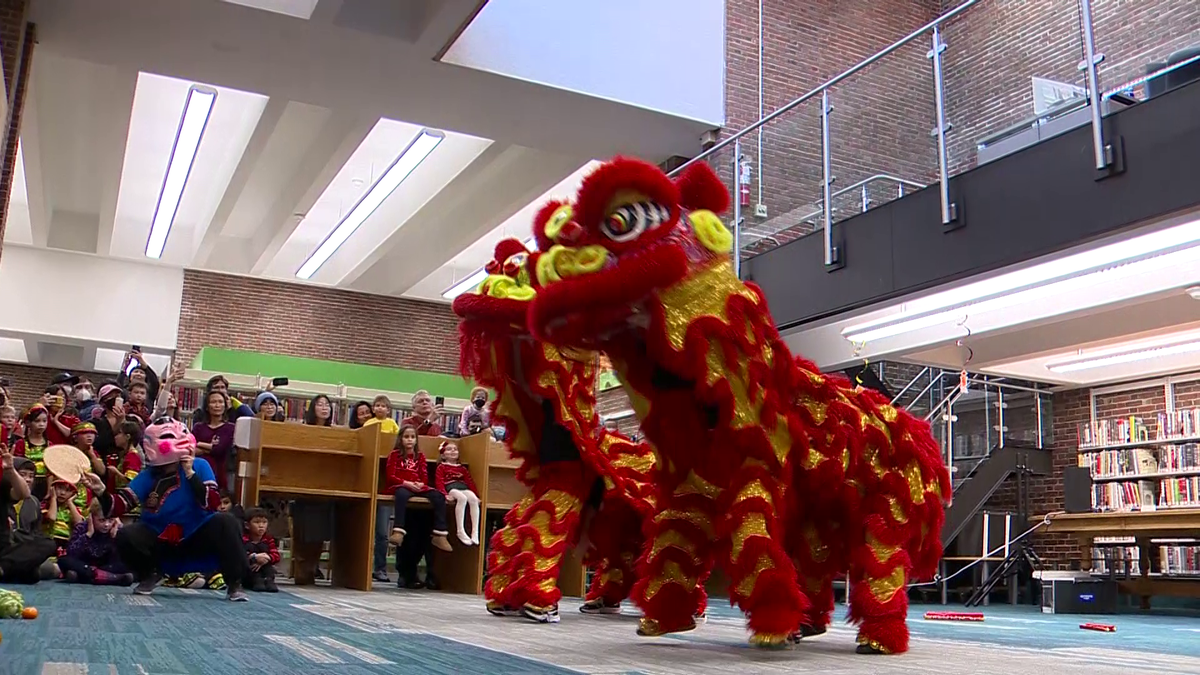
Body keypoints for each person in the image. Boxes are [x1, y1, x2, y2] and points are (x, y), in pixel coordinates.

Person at [82, 417, 249, 601]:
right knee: (126, 535)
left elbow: (212, 503)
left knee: (227, 522)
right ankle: (151, 573)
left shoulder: (200, 466)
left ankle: (235, 583)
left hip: (196, 535)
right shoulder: (148, 476)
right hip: (160, 539)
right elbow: (119, 505)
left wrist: (191, 474)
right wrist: (100, 491)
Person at [384, 425, 451, 555]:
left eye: (412, 437)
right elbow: (390, 476)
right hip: (401, 485)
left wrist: (420, 484)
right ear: (400, 439)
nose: (410, 440)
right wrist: (406, 483)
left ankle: (440, 534)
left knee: (438, 496)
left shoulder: (420, 456)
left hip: (417, 486)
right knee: (401, 494)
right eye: (406, 437)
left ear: (416, 440)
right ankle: (398, 531)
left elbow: (424, 476)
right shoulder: (394, 455)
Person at [0, 452, 56, 583]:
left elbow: (24, 494)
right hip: (12, 549)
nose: (28, 479)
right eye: (23, 475)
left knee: (48, 544)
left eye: (31, 476)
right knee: (34, 574)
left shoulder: (33, 501)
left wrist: (10, 470)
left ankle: (3, 569)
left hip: (10, 551)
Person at [57, 504, 133, 586]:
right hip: (85, 564)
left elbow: (120, 557)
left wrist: (114, 538)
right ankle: (112, 578)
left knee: (129, 565)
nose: (106, 525)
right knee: (63, 560)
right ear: (91, 518)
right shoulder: (82, 527)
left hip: (106, 566)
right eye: (102, 520)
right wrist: (88, 535)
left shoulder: (117, 530)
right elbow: (71, 553)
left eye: (110, 520)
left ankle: (83, 577)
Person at [436, 440, 480, 546]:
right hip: (451, 487)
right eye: (449, 449)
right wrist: (444, 494)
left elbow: (470, 482)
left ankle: (475, 531)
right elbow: (439, 482)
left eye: (455, 449)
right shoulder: (442, 467)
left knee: (473, 499)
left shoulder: (462, 468)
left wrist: (476, 495)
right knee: (462, 498)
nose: (453, 451)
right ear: (443, 455)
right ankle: (460, 530)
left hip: (462, 487)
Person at [192, 390, 234, 492]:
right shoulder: (198, 427)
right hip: (197, 472)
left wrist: (199, 444)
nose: (217, 405)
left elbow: (220, 450)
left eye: (220, 402)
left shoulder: (230, 428)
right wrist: (209, 446)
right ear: (207, 406)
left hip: (219, 473)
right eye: (213, 402)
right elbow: (190, 448)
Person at [13, 404, 51, 495]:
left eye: (44, 421)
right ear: (28, 423)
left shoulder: (50, 445)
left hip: (44, 484)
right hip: (25, 482)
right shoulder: (21, 444)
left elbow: (51, 471)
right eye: (37, 421)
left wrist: (49, 490)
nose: (41, 424)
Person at [43, 476, 85, 556]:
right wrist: (53, 498)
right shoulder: (45, 505)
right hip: (49, 542)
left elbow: (79, 523)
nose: (62, 493)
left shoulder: (73, 509)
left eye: (68, 490)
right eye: (60, 488)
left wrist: (70, 502)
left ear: (73, 494)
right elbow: (51, 518)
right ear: (53, 488)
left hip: (67, 545)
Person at [242, 507, 280, 593]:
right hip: (249, 569)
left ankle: (268, 580)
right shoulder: (243, 539)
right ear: (247, 525)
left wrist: (267, 558)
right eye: (257, 522)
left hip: (264, 567)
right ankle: (257, 581)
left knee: (269, 569)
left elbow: (276, 555)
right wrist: (254, 557)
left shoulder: (268, 539)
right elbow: (239, 554)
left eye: (264, 522)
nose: (261, 525)